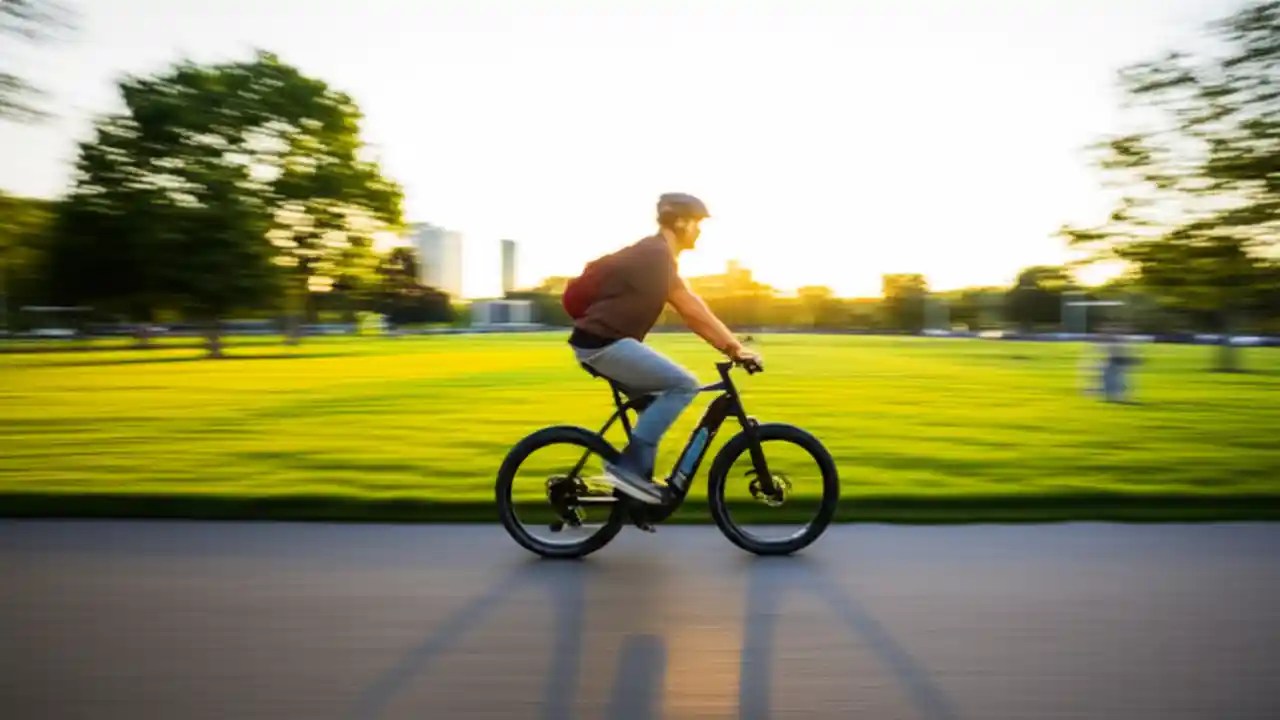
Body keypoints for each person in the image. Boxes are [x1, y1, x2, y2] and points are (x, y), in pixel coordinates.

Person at [566, 193, 760, 504]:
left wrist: (732, 344)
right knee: (684, 385)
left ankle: (638, 489)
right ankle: (630, 471)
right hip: (602, 344)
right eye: (697, 223)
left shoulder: (659, 258)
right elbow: (691, 311)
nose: (699, 231)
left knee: (657, 400)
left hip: (603, 342)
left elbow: (693, 304)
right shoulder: (654, 255)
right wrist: (734, 349)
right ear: (680, 222)